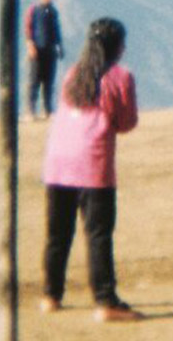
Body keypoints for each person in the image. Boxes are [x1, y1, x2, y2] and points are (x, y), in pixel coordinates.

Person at [40, 17, 142, 321]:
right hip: (92, 164)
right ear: (117, 46)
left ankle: (50, 296)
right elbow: (126, 122)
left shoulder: (73, 73)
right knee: (98, 235)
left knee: (57, 233)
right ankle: (105, 301)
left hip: (58, 162)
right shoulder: (120, 77)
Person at [25, 0, 65, 119]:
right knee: (34, 81)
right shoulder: (33, 10)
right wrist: (30, 45)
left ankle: (48, 110)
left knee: (49, 82)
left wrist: (60, 46)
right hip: (37, 50)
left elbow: (56, 30)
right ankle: (31, 111)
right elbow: (28, 28)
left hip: (50, 50)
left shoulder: (53, 11)